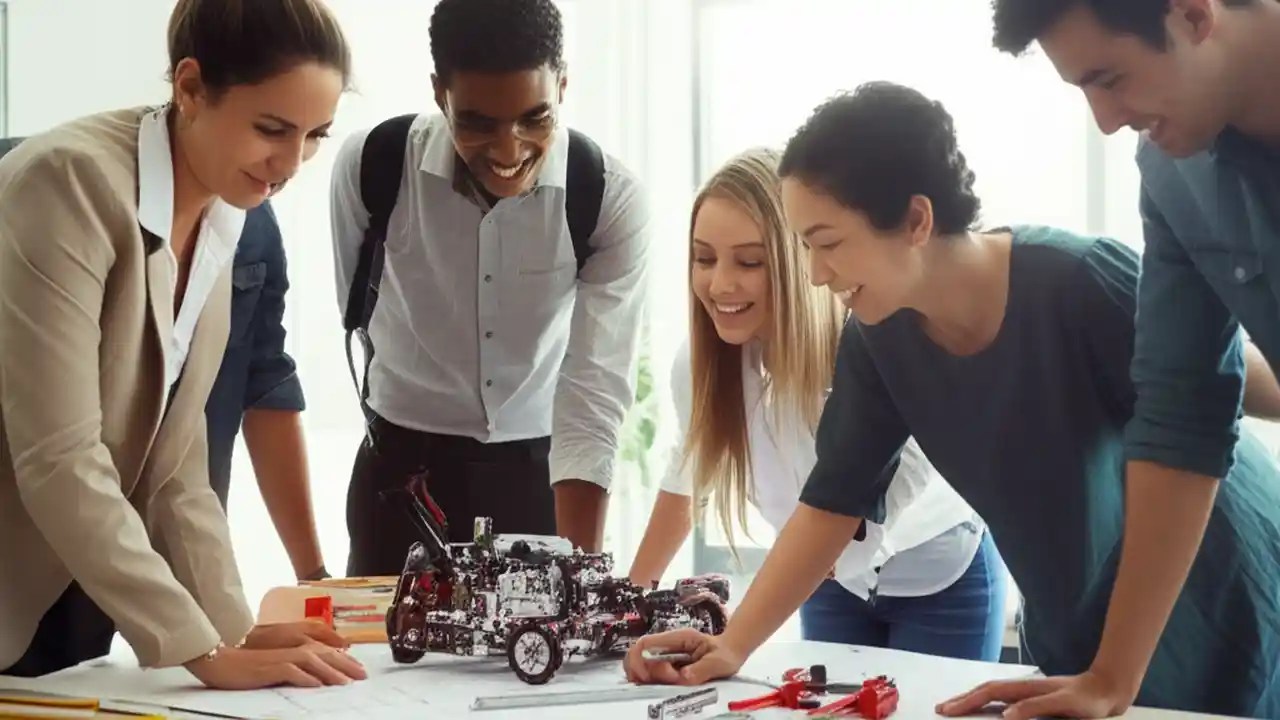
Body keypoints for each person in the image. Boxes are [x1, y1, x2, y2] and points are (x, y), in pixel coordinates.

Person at [623, 82, 1280, 720]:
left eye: (828, 244)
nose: (816, 274)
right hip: (1085, 616)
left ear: (916, 220)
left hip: (1217, 587)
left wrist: (1113, 672)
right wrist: (734, 643)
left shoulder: (1080, 282)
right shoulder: (878, 339)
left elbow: (1221, 379)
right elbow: (832, 500)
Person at [0, 0, 366, 690]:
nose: (292, 164)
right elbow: (58, 457)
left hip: (70, 599)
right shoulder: (69, 183)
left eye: (315, 135)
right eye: (271, 129)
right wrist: (204, 651)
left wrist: (232, 629)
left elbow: (175, 463)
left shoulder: (225, 204)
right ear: (191, 87)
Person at [626, 148, 1007, 660]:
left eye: (749, 261)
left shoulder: (869, 343)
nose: (720, 284)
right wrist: (629, 605)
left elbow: (906, 471)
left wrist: (813, 562)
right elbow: (689, 470)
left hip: (939, 574)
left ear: (800, 258)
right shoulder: (698, 367)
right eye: (704, 258)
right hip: (825, 585)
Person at [330, 0, 650, 576]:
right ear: (440, 94)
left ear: (563, 86)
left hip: (539, 475)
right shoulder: (371, 165)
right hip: (398, 470)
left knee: (547, 628)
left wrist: (581, 576)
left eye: (535, 118)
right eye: (478, 123)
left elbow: (594, 391)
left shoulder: (608, 195)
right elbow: (356, 313)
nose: (509, 150)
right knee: (382, 635)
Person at [206, 201, 329, 581]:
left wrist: (314, 576)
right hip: (67, 541)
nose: (285, 172)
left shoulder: (254, 218)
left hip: (191, 531)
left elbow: (265, 380)